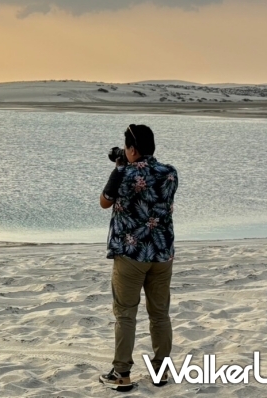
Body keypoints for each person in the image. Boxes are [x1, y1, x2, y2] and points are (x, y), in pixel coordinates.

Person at [98, 124, 178, 389]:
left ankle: (121, 374)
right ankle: (162, 372)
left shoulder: (125, 173)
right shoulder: (170, 172)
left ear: (131, 149)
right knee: (160, 315)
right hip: (162, 253)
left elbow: (105, 201)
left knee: (125, 315)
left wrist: (119, 167)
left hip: (131, 254)